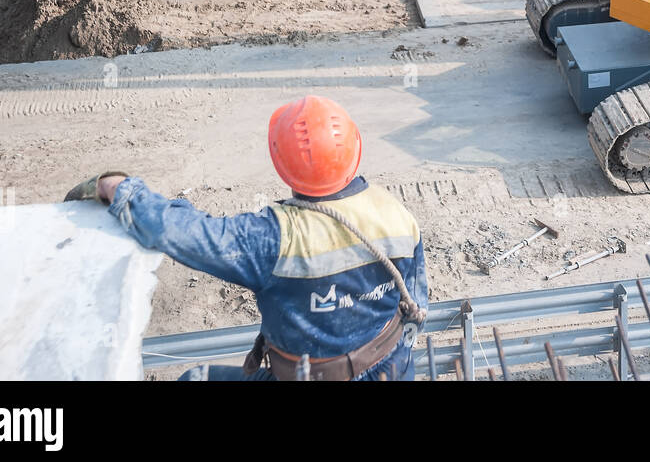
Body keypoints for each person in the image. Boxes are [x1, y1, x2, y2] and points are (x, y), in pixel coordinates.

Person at [66, 96, 429, 381]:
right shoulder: (398, 216)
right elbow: (415, 308)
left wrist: (117, 188)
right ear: (355, 148)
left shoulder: (272, 239)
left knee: (196, 378)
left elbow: (181, 231)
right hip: (392, 372)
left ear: (279, 160)